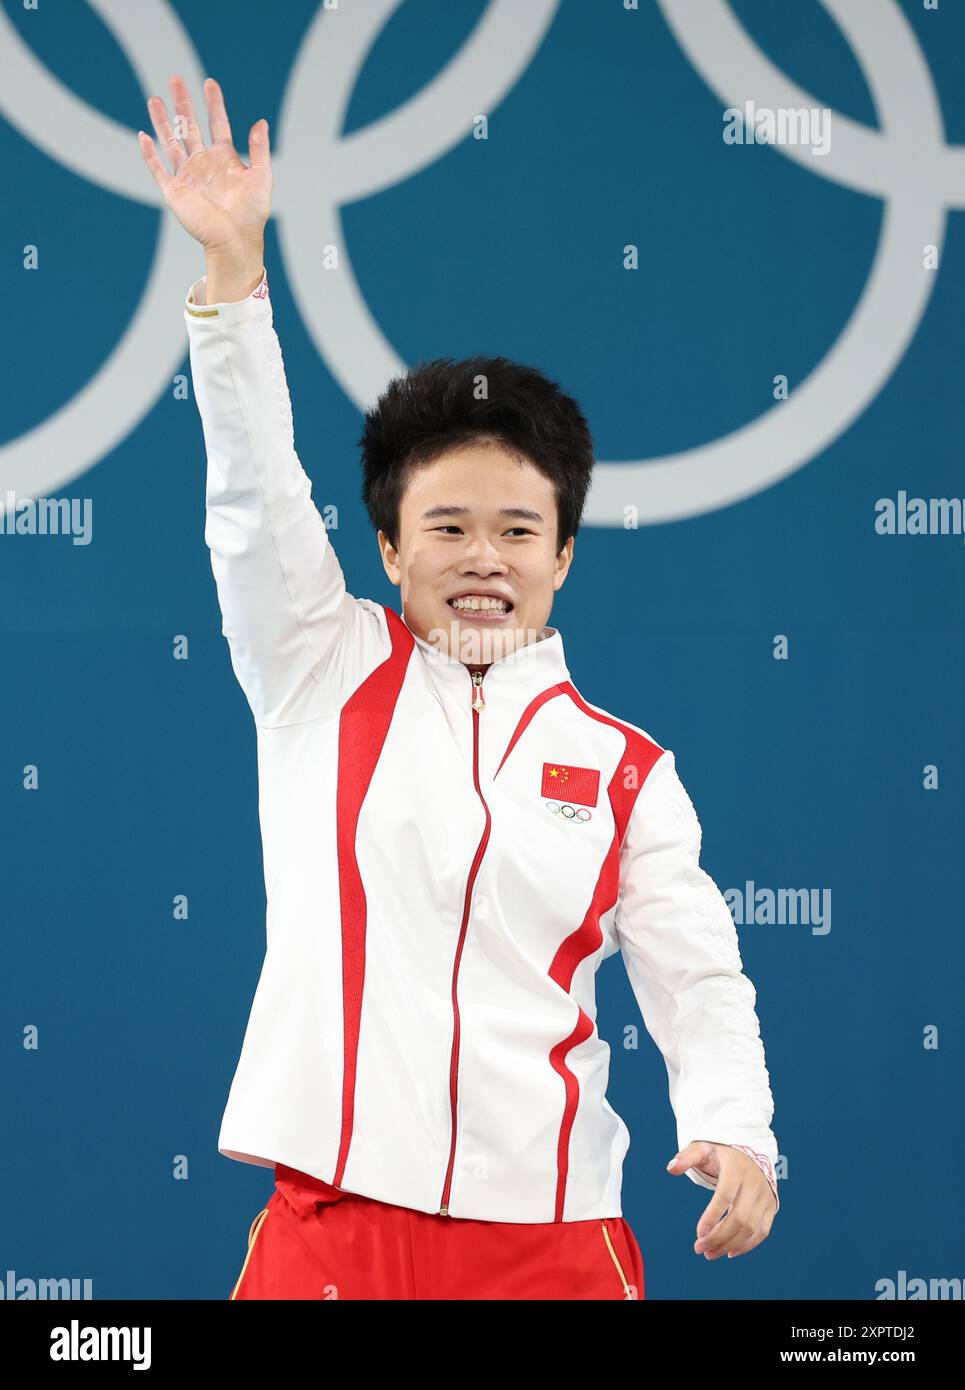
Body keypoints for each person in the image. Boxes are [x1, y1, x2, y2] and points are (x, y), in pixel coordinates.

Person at [138, 74, 780, 1302]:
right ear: (387, 549)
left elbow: (696, 974)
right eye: (445, 526)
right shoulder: (318, 669)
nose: (481, 558)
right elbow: (251, 491)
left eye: (514, 529)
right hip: (330, 1230)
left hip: (553, 1245)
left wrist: (737, 1128)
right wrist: (230, 279)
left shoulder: (627, 770)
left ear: (563, 552)